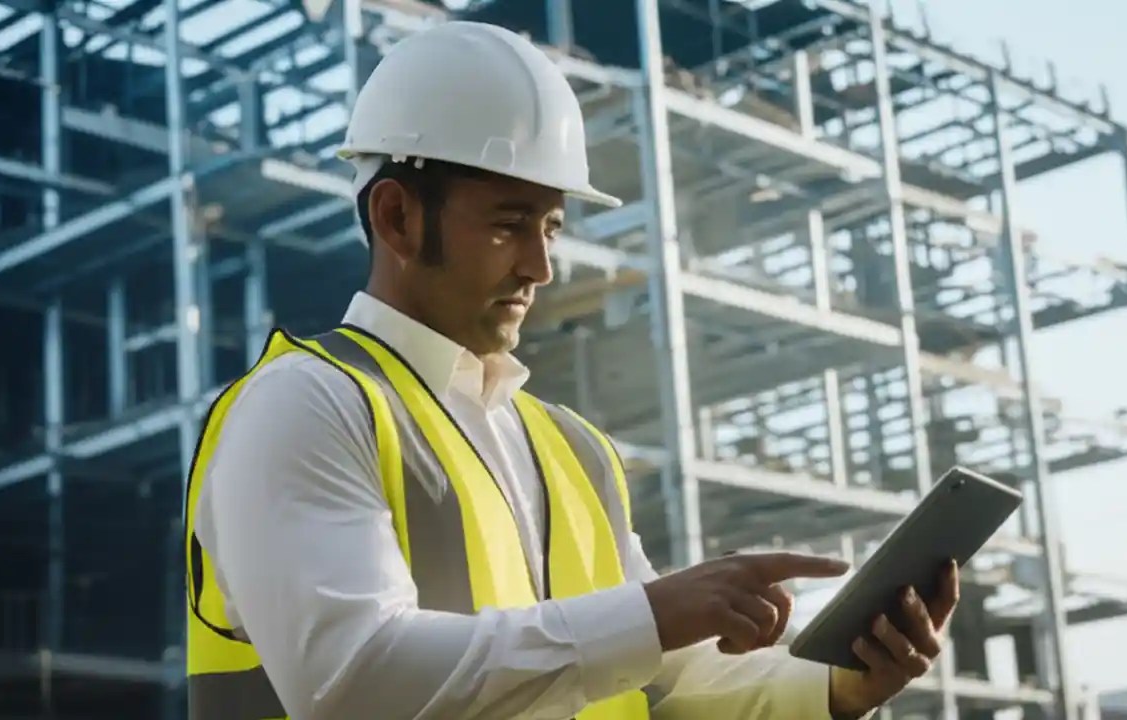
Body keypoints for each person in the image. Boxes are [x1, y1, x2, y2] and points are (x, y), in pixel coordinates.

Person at [183, 20, 960, 720]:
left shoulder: (574, 451)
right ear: (396, 217)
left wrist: (838, 685)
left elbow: (679, 685)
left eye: (552, 225)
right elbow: (353, 681)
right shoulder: (303, 404)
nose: (542, 265)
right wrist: (655, 613)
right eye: (510, 224)